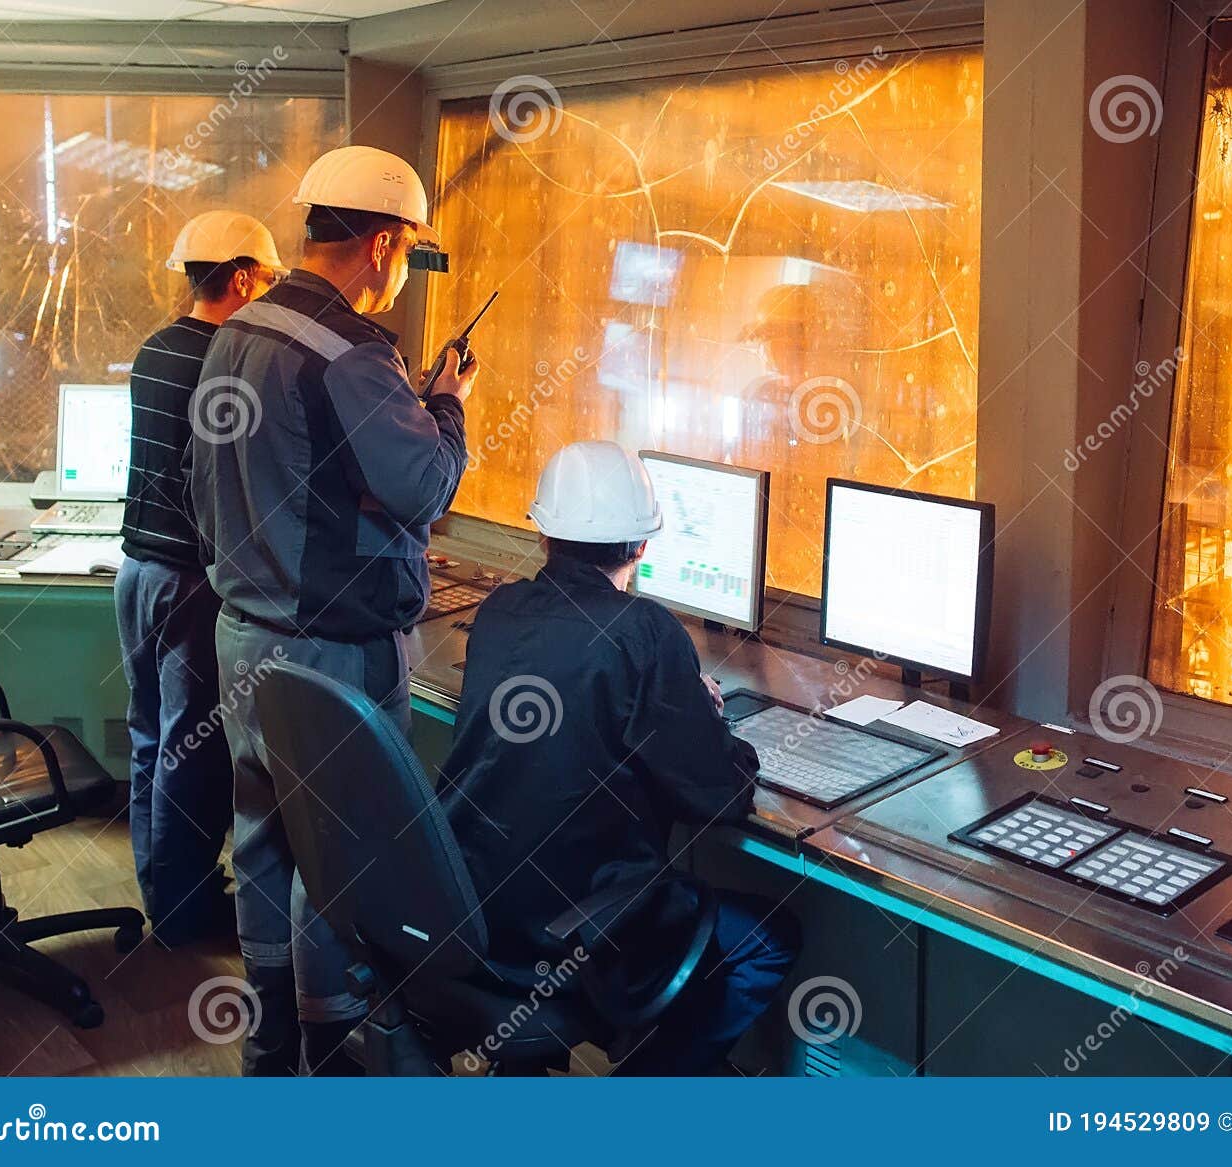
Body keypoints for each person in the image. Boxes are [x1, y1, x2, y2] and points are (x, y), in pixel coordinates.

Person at [187, 145, 476, 1077]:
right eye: (407, 249)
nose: (403, 267)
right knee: (338, 861)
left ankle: (269, 1049)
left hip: (242, 639)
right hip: (331, 656)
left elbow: (213, 482)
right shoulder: (353, 350)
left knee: (263, 844)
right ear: (383, 243)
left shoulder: (238, 330)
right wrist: (446, 405)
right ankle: (331, 1056)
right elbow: (423, 484)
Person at [439, 441, 800, 1075]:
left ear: (544, 535)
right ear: (642, 546)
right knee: (769, 939)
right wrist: (701, 717)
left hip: (472, 915)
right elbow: (720, 797)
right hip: (574, 937)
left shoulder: (498, 612)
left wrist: (670, 698)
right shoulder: (645, 633)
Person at [115, 211, 284, 949]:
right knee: (191, 750)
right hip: (188, 580)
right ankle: (185, 916)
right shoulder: (225, 361)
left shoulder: (155, 349)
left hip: (135, 571)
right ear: (241, 278)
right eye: (268, 280)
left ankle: (161, 893)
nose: (269, 294)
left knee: (151, 735)